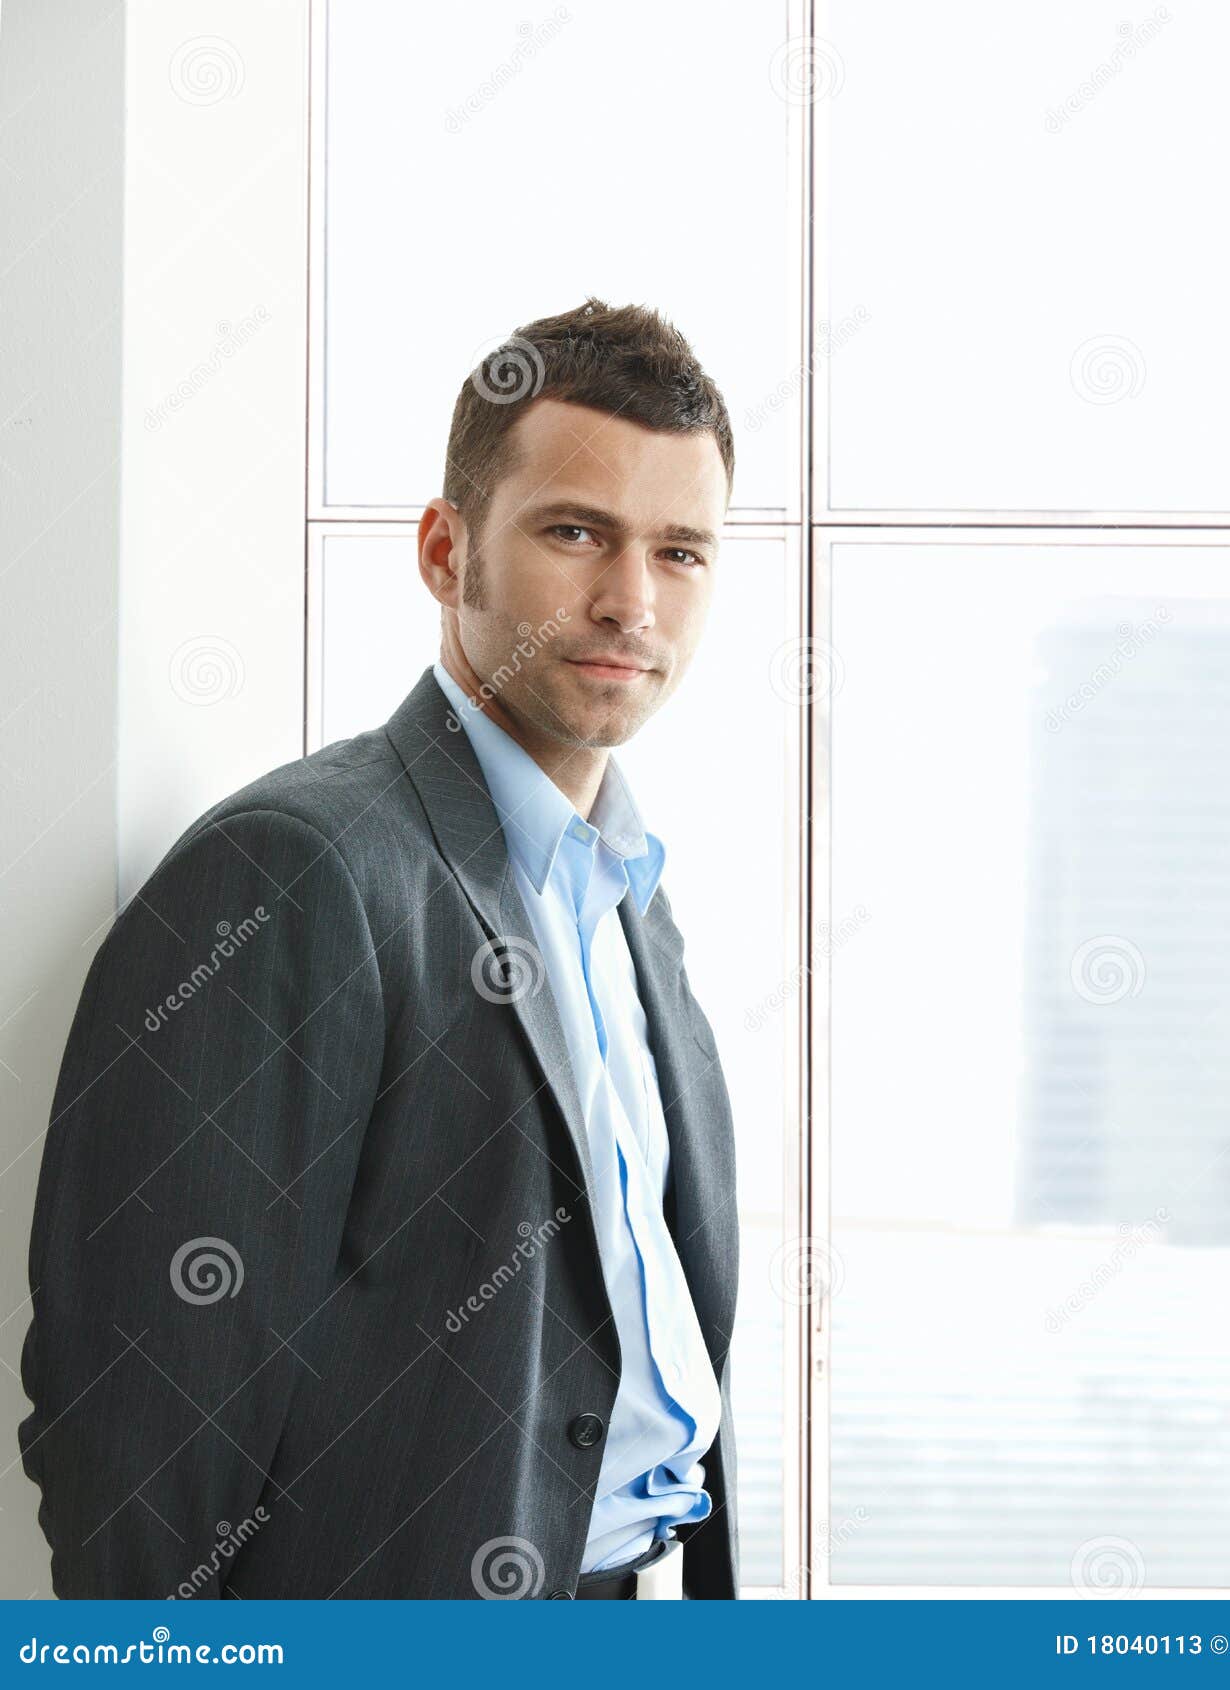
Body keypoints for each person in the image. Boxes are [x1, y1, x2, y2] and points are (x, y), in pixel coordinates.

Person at [17, 298, 740, 1601]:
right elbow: (135, 1436)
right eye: (575, 531)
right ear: (442, 548)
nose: (630, 599)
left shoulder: (632, 886)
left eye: (680, 551)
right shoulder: (298, 872)